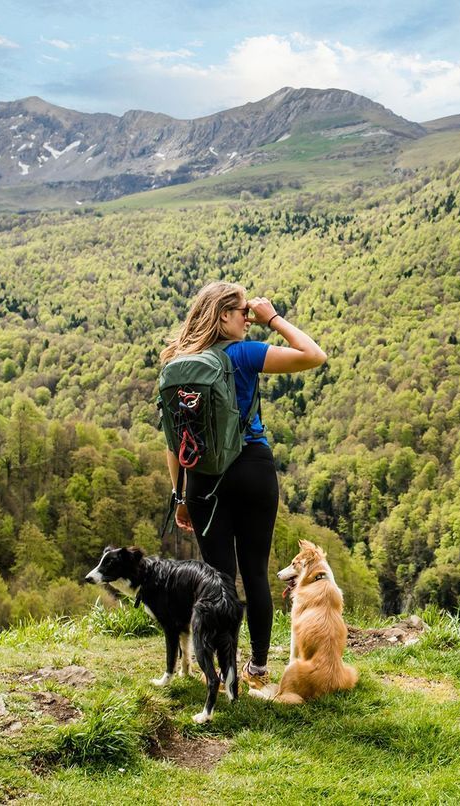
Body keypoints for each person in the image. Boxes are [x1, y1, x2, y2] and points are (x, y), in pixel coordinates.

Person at [160, 281, 326, 685]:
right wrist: (274, 318)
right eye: (243, 313)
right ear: (223, 317)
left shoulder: (179, 363)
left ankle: (222, 670)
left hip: (204, 480)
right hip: (253, 469)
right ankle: (258, 668)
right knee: (254, 573)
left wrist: (180, 496)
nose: (249, 319)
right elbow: (314, 355)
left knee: (218, 580)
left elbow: (173, 442)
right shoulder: (245, 354)